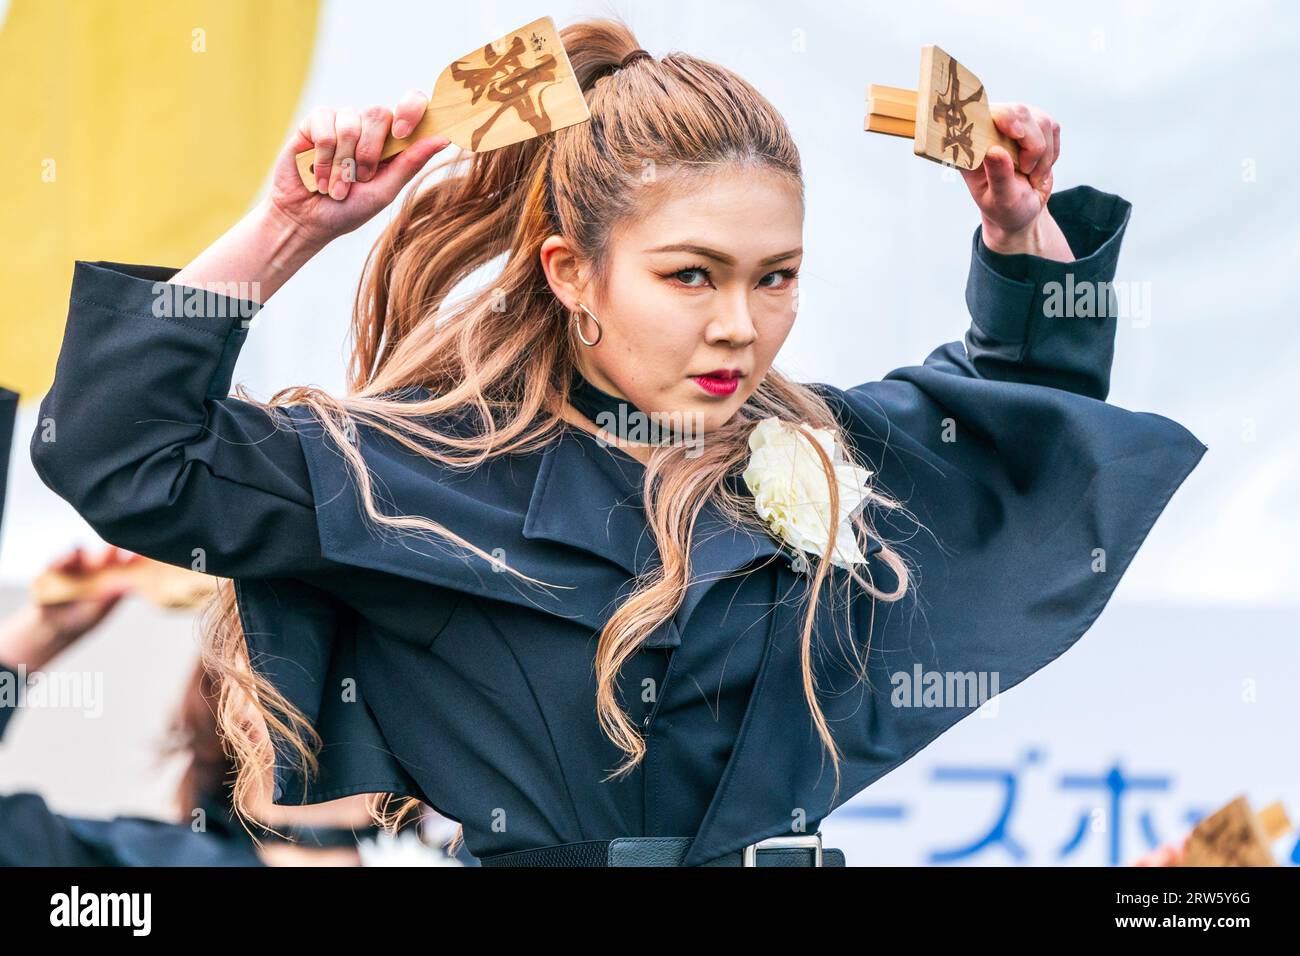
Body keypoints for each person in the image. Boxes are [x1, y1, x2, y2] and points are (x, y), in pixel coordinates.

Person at [29, 17, 1206, 866]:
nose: (738, 323)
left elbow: (1025, 413)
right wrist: (286, 227)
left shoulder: (813, 446)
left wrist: (1019, 225)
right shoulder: (410, 473)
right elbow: (124, 448)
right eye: (689, 274)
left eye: (776, 277)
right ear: (572, 274)